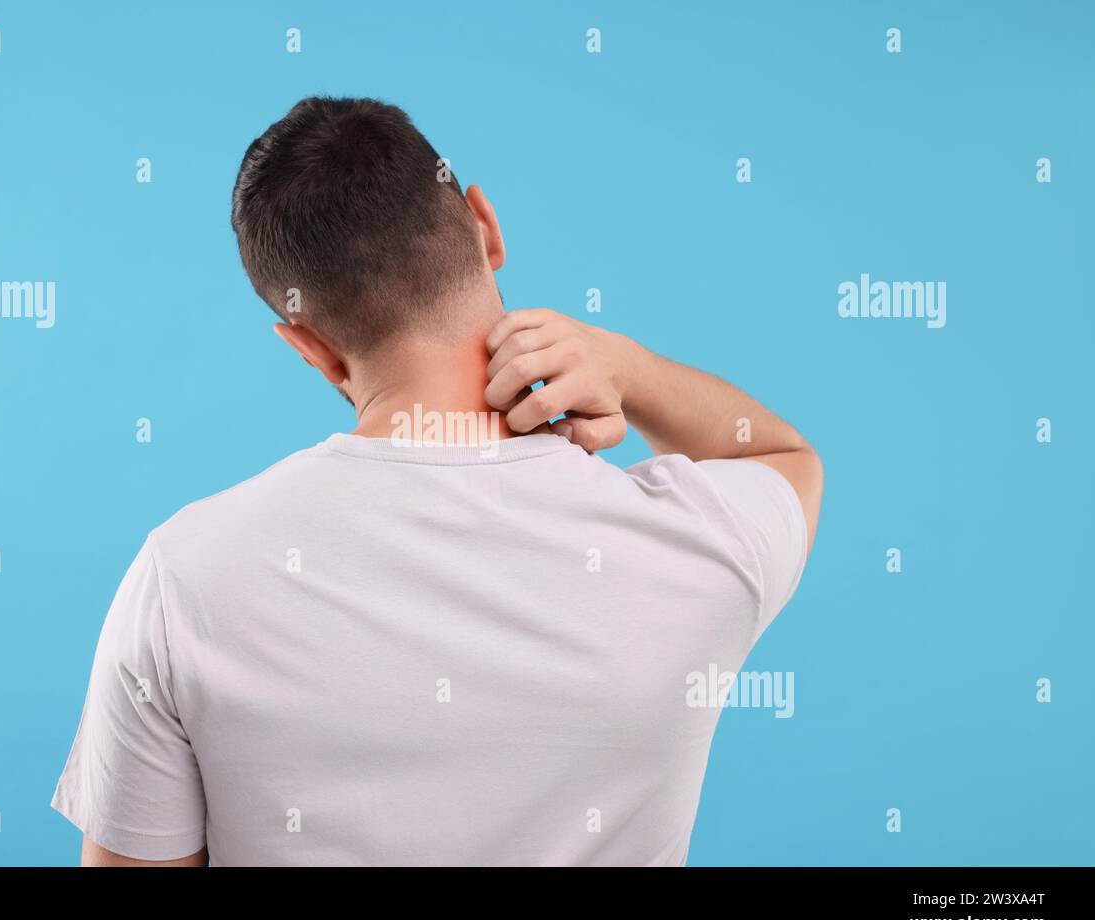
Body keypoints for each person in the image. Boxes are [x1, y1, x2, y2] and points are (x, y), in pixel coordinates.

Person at [51, 96, 823, 866]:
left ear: (308, 345)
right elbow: (783, 457)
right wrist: (625, 365)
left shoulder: (183, 580)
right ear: (485, 226)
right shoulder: (688, 539)